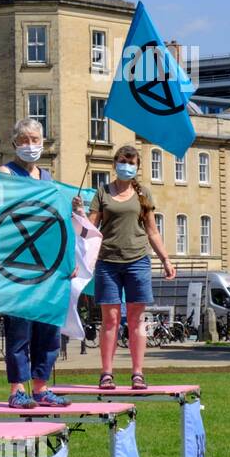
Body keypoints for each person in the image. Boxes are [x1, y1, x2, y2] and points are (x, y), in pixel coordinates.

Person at [0, 118, 69, 408]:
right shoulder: (5, 173)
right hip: (16, 265)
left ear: (43, 142)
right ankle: (16, 390)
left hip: (46, 267)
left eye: (35, 139)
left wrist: (68, 257)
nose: (30, 145)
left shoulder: (48, 179)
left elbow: (57, 222)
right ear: (14, 144)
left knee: (48, 329)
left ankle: (41, 387)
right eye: (24, 140)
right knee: (19, 329)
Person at [82, 145, 176, 390]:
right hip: (108, 261)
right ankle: (106, 373)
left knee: (136, 318)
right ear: (115, 164)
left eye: (131, 162)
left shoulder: (143, 193)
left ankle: (137, 372)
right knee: (110, 318)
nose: (127, 166)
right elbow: (90, 229)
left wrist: (165, 259)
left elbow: (152, 231)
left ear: (136, 167)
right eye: (123, 161)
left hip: (138, 260)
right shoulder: (102, 192)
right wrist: (79, 214)